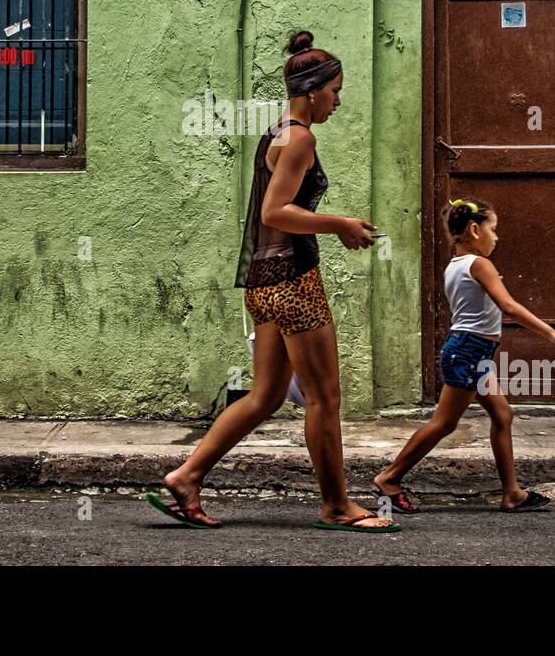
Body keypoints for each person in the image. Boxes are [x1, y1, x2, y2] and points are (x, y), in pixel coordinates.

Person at [146, 30, 399, 532]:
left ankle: (186, 475)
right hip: (293, 282)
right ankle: (336, 506)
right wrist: (340, 224)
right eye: (335, 91)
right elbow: (275, 211)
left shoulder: (276, 131)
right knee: (325, 398)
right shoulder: (299, 136)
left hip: (265, 282)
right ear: (312, 91)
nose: (338, 101)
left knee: (265, 395)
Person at [372, 197, 555, 513]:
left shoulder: (456, 266)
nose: (497, 237)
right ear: (473, 229)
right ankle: (389, 477)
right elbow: (507, 306)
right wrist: (551, 333)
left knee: (502, 415)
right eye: (493, 229)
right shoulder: (480, 264)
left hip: (474, 352)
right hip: (468, 352)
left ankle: (512, 493)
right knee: (444, 423)